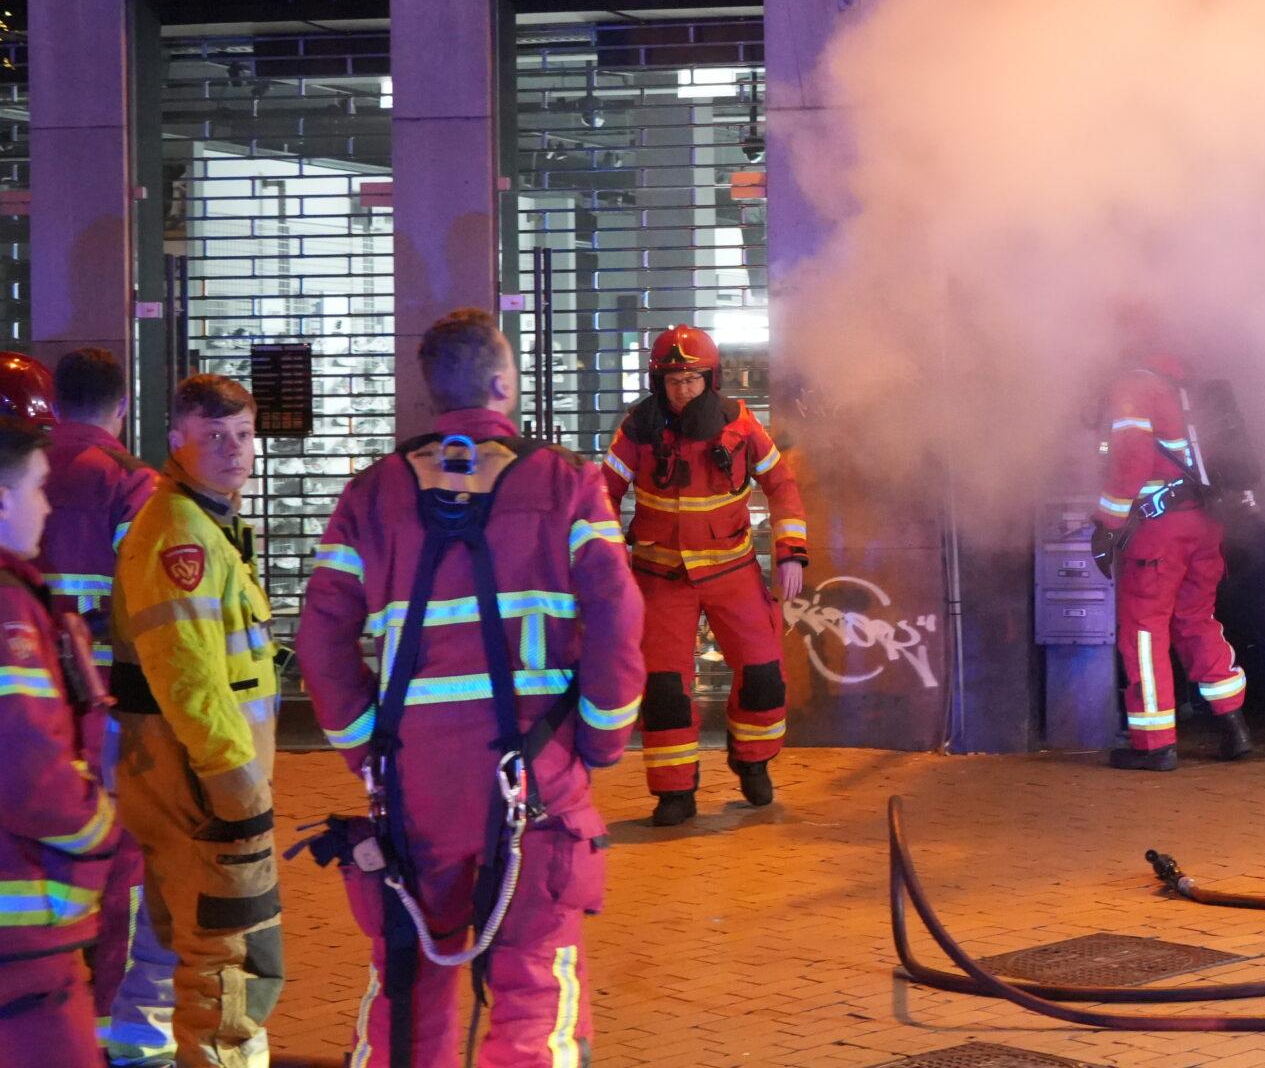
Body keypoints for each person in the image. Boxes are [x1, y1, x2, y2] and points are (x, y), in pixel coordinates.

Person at [298, 308, 645, 1068]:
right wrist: (602, 736)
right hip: (536, 778)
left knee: (407, 987)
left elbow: (320, 638)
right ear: (501, 382)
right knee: (533, 989)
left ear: (430, 394)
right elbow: (618, 610)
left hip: (412, 784)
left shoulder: (370, 495)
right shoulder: (567, 483)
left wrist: (368, 751)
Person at [111, 374, 282, 1068]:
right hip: (208, 789)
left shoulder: (206, 522)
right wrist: (240, 792)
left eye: (243, 436)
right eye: (214, 437)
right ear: (177, 440)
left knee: (182, 938)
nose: (234, 450)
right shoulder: (181, 535)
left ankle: (149, 1053)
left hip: (190, 780)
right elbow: (190, 679)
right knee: (232, 959)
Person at [602, 325, 805, 827]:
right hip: (659, 575)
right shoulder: (636, 430)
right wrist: (608, 562)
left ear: (709, 379)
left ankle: (753, 761)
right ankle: (674, 792)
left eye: (692, 379)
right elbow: (601, 494)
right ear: (658, 382)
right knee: (666, 691)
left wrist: (791, 552)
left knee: (764, 678)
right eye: (673, 380)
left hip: (732, 571)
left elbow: (781, 485)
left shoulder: (739, 424)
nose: (683, 389)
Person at [39, 350, 179, 1068]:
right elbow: (148, 609)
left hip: (25, 702)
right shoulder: (131, 483)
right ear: (121, 407)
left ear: (57, 403)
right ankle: (108, 1029)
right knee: (116, 867)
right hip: (103, 709)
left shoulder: (21, 471)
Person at [0, 417, 124, 1067]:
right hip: (24, 945)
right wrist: (101, 824)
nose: (48, 506)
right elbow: (24, 765)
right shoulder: (8, 604)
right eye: (40, 487)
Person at [1088, 314, 1249, 771]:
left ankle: (1153, 743)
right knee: (1196, 618)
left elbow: (1131, 461)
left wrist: (1108, 521)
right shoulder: (1189, 386)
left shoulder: (1135, 386)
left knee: (1143, 628)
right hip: (1205, 522)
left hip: (1159, 530)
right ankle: (1233, 726)